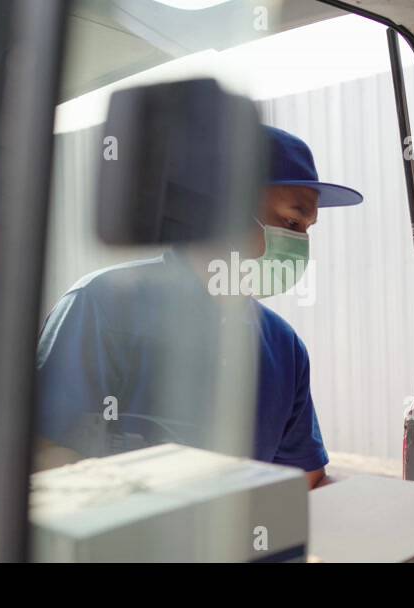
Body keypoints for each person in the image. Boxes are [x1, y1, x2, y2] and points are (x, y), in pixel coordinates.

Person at [33, 126, 363, 489]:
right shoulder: (102, 307)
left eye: (306, 229)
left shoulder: (283, 346)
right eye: (291, 222)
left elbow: (306, 481)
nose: (300, 244)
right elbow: (46, 455)